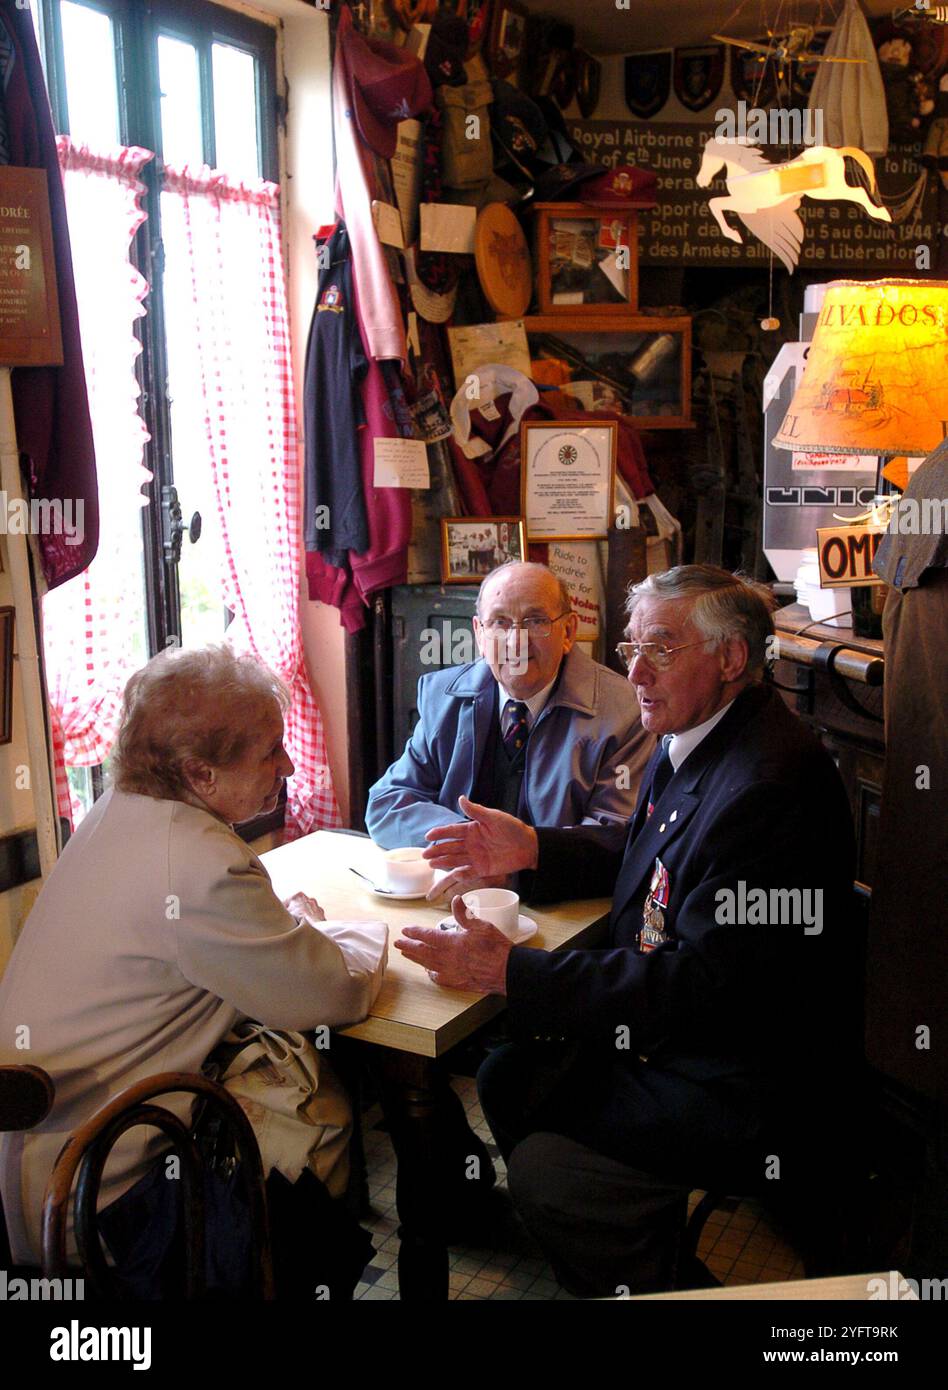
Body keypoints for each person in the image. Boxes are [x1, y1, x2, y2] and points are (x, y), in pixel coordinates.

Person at [395, 565, 864, 1295]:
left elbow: (701, 982)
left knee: (546, 1168)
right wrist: (536, 850)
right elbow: (647, 855)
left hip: (740, 1074)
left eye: (663, 650)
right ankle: (612, 1244)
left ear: (732, 659)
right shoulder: (704, 734)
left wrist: (510, 973)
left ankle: (657, 1273)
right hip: (684, 1032)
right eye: (630, 648)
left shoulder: (768, 785)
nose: (636, 671)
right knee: (506, 1074)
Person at [0, 645, 387, 1299]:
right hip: (104, 1198)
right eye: (269, 751)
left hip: (34, 1168)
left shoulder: (116, 813)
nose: (287, 766)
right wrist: (351, 937)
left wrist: (277, 927)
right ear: (202, 774)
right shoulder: (199, 862)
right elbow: (329, 994)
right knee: (316, 1119)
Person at [366, 560, 653, 864]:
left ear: (568, 631)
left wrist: (522, 857)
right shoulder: (443, 697)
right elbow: (387, 804)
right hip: (461, 890)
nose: (517, 641)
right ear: (479, 633)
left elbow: (617, 836)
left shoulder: (624, 711)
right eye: (500, 622)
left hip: (561, 902)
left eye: (535, 621)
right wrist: (473, 842)